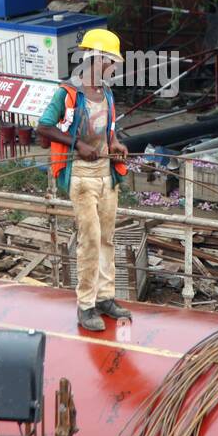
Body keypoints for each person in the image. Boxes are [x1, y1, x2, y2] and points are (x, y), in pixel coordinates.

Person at [37, 29, 131, 331]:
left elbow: (109, 131)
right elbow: (44, 127)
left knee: (106, 238)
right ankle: (86, 305)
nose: (114, 67)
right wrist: (78, 144)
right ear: (97, 59)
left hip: (106, 177)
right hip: (80, 177)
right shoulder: (68, 93)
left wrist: (115, 145)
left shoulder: (107, 94)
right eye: (111, 62)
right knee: (89, 239)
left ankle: (105, 298)